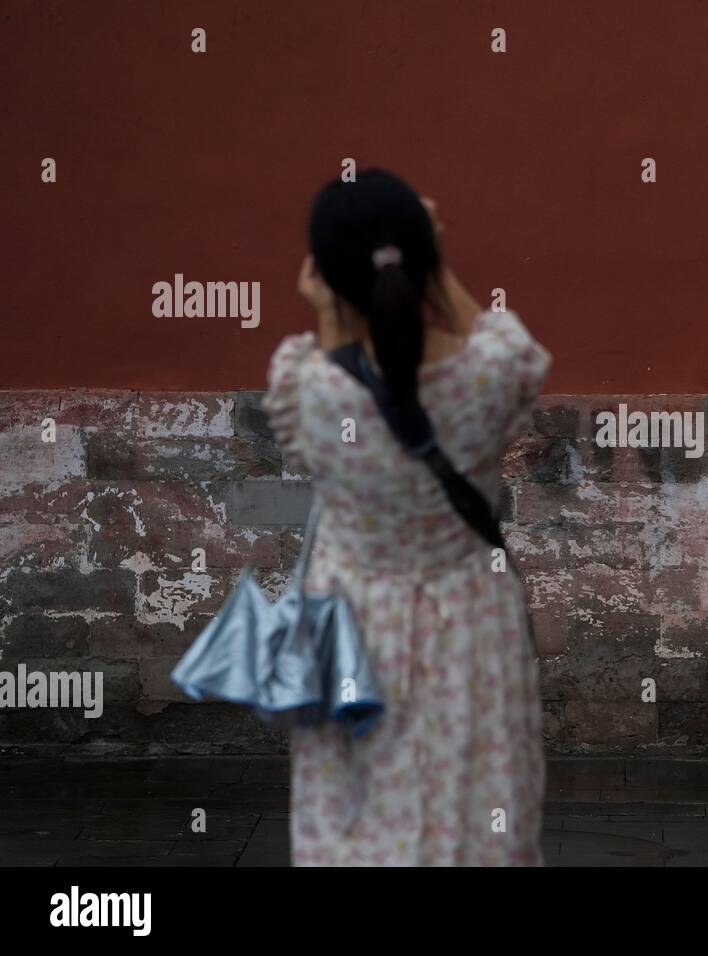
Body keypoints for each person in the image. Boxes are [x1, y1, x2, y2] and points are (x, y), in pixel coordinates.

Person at [262, 168, 551, 864]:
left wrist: (337, 304)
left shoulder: (306, 385)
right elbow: (506, 346)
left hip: (351, 626)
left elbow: (337, 368)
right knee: (480, 809)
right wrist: (431, 263)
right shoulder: (491, 372)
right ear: (426, 257)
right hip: (470, 618)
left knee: (356, 816)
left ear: (326, 276)